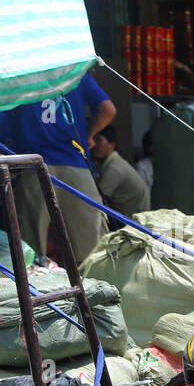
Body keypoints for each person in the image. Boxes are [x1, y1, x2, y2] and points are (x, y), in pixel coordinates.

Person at [0, 72, 113, 262]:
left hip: (33, 168)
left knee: (29, 253)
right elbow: (108, 110)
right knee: (93, 253)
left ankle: (37, 290)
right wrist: (89, 134)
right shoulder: (75, 71)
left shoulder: (18, 76)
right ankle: (96, 289)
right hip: (76, 167)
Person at [88, 124, 150, 217]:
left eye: (98, 140)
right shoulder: (107, 163)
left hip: (132, 222)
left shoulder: (114, 168)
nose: (93, 144)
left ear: (112, 145)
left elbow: (96, 198)